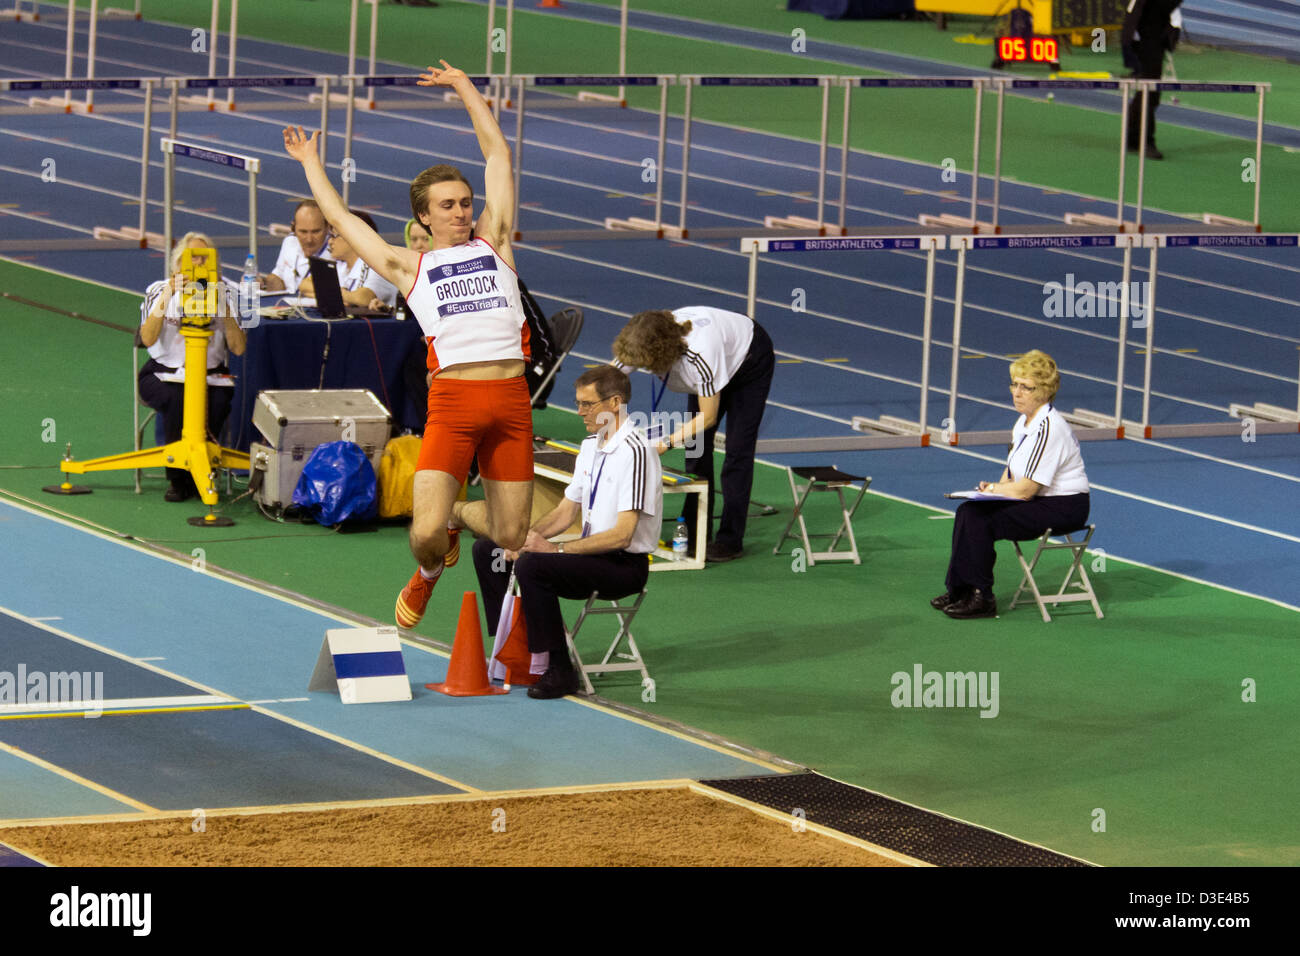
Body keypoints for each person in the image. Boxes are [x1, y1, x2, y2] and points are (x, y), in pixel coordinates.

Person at [281, 59, 534, 631]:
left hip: (511, 402)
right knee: (421, 534)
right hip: (453, 406)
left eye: (466, 202)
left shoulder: (495, 241)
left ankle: (460, 520)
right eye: (448, 205)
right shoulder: (407, 268)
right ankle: (427, 572)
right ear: (423, 215)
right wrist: (312, 167)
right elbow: (342, 220)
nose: (462, 211)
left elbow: (498, 156)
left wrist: (467, 87)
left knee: (514, 533)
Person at [453, 366, 662, 699]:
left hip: (623, 566)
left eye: (587, 404)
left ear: (615, 403)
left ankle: (560, 670)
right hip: (589, 555)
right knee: (489, 550)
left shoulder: (637, 453)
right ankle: (515, 652)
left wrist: (556, 551)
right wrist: (522, 539)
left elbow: (623, 535)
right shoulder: (592, 447)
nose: (579, 412)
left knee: (534, 567)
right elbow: (565, 513)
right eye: (578, 403)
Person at [933, 350, 1091, 619]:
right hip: (1040, 499)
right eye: (1015, 385)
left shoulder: (1049, 427)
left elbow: (1028, 491)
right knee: (968, 510)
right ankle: (960, 589)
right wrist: (992, 488)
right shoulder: (1023, 422)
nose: (1017, 393)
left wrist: (995, 491)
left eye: (1025, 387)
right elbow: (1012, 474)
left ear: (1044, 391)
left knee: (981, 521)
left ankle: (983, 597)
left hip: (1064, 506)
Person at [612, 305, 774, 563]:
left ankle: (730, 540)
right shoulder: (642, 341)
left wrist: (665, 442)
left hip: (749, 361)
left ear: (660, 353)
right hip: (715, 359)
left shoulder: (699, 354)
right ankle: (696, 531)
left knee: (737, 452)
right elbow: (607, 378)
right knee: (696, 450)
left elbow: (707, 417)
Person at [138, 232, 247, 502]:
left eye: (203, 258)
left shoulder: (229, 292)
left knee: (218, 403)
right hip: (162, 372)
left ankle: (206, 470)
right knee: (178, 399)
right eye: (191, 257)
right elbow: (147, 338)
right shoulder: (158, 289)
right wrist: (168, 294)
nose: (197, 263)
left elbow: (239, 348)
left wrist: (223, 307)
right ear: (177, 264)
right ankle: (178, 477)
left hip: (211, 375)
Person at [297, 209, 399, 310]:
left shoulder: (376, 264)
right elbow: (304, 285)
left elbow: (363, 299)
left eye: (334, 236)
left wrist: (333, 295)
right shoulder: (341, 264)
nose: (330, 242)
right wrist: (341, 296)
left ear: (353, 238)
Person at [1123, 0, 1184, 161]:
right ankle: (1146, 140)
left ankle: (1133, 137)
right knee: (1150, 92)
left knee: (1148, 90)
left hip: (1151, 34)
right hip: (1145, 36)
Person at [260, 199, 335, 294]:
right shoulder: (290, 242)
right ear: (293, 228)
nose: (309, 240)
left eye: (316, 232)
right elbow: (278, 277)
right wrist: (263, 283)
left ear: (327, 228)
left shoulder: (336, 253)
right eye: (303, 232)